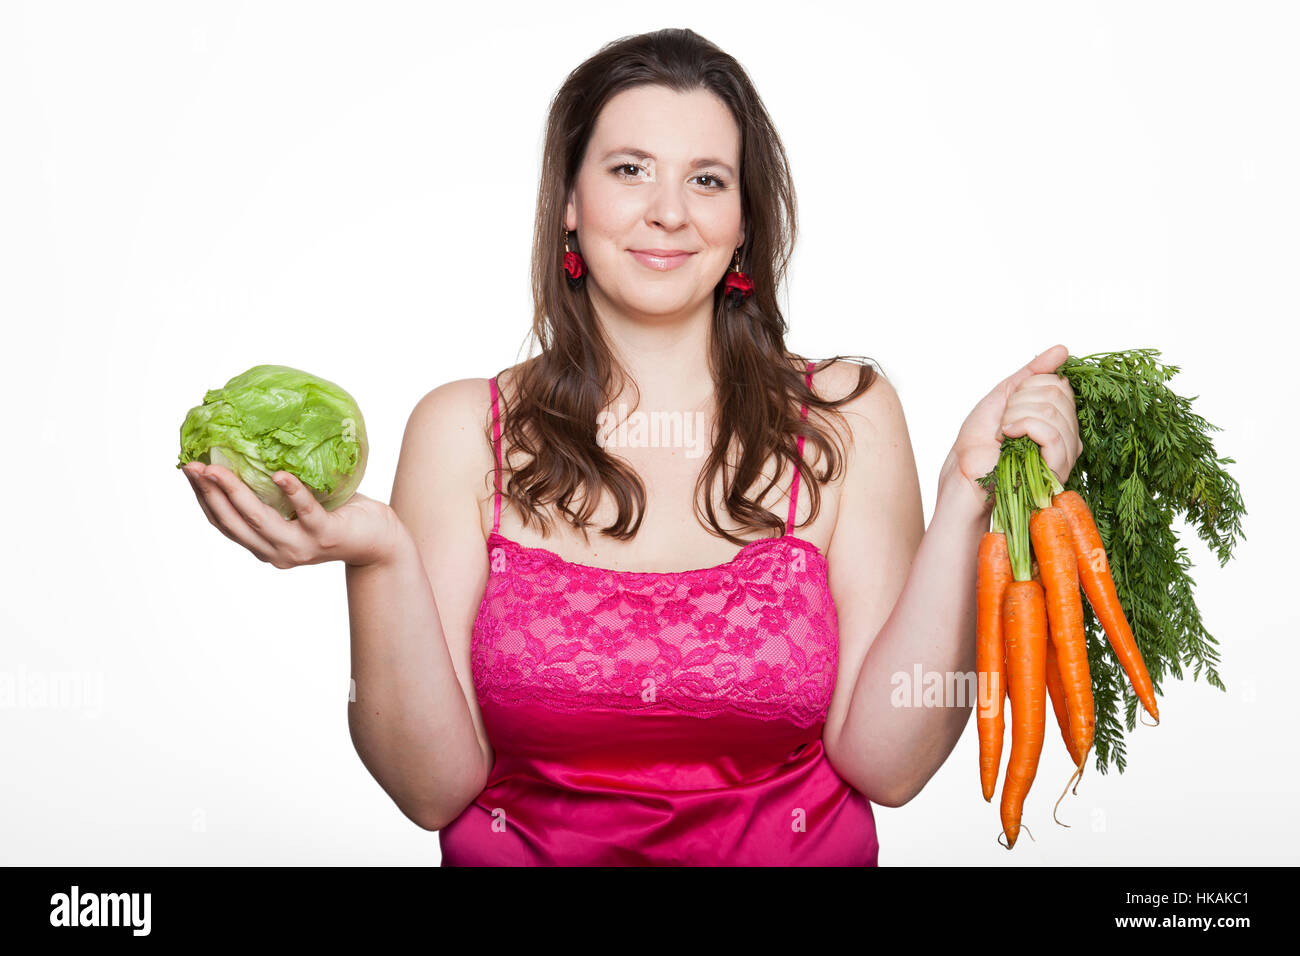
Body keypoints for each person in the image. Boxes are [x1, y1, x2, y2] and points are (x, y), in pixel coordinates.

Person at [180, 28, 1081, 865]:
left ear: (745, 223)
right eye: (629, 169)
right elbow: (430, 790)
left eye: (707, 180)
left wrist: (969, 498)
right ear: (569, 202)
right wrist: (377, 557)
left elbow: (888, 765)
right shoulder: (461, 430)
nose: (668, 213)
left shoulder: (848, 417)